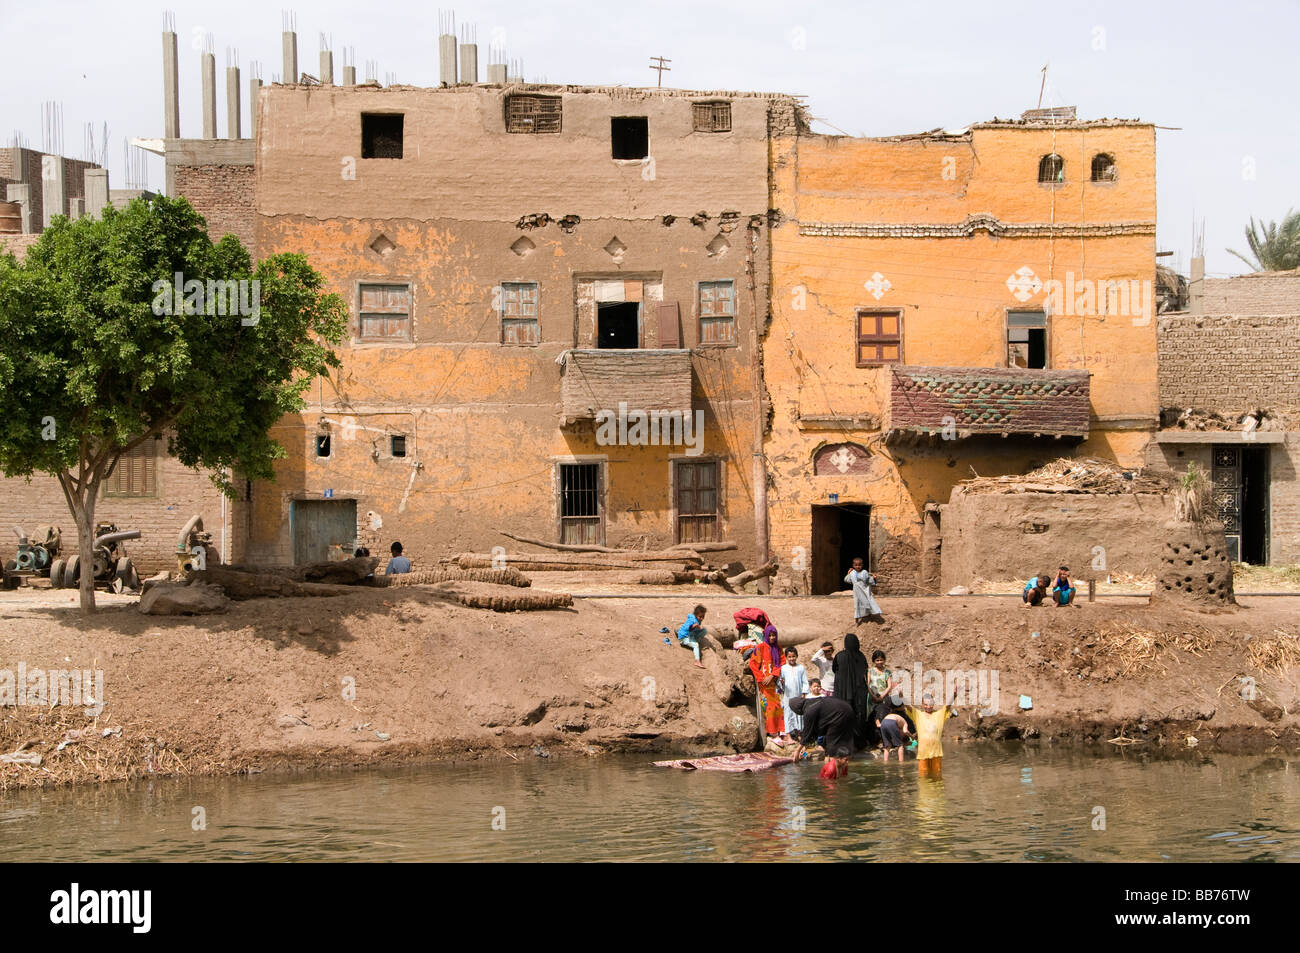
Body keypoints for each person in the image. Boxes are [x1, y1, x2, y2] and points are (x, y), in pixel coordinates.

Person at [788, 695, 854, 777]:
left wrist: (797, 750)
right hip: (848, 709)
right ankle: (836, 766)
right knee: (837, 744)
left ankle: (833, 767)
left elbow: (807, 733)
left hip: (839, 715)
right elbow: (808, 737)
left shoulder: (809, 711)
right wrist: (804, 750)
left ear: (797, 709)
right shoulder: (812, 702)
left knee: (832, 745)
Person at [904, 687, 959, 777]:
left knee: (937, 776)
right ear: (922, 704)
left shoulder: (939, 714)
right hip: (923, 753)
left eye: (930, 704)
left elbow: (948, 706)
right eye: (926, 704)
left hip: (936, 752)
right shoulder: (918, 714)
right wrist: (902, 697)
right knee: (923, 776)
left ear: (933, 704)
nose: (928, 706)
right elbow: (909, 707)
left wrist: (954, 695)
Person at [832, 631, 870, 748]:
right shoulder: (861, 656)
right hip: (859, 693)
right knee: (858, 716)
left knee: (843, 715)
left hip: (842, 693)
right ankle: (859, 742)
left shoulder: (839, 656)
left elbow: (834, 669)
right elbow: (865, 671)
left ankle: (844, 742)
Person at [748, 624, 785, 743]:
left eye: (774, 635)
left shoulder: (778, 649)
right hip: (764, 683)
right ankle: (773, 733)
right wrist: (762, 678)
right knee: (769, 706)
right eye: (770, 635)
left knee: (780, 706)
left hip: (776, 682)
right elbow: (753, 664)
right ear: (766, 636)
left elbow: (782, 663)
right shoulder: (760, 648)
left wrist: (773, 675)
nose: (772, 638)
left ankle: (781, 731)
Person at [868, 649, 900, 747]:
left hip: (884, 699)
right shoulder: (870, 671)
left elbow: (889, 685)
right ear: (874, 661)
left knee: (883, 718)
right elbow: (867, 684)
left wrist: (882, 696)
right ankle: (875, 740)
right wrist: (873, 696)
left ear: (884, 660)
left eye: (881, 660)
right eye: (877, 660)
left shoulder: (887, 672)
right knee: (873, 718)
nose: (879, 662)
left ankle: (885, 740)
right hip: (872, 699)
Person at [779, 647, 809, 741]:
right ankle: (788, 735)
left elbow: (805, 681)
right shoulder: (783, 668)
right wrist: (781, 683)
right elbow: (780, 683)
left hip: (798, 695)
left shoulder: (800, 668)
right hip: (788, 696)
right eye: (789, 657)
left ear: (797, 656)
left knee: (799, 714)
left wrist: (804, 693)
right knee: (788, 713)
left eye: (793, 656)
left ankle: (799, 733)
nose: (792, 659)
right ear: (786, 657)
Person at [845, 557, 883, 624]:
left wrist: (873, 578)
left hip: (864, 590)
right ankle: (857, 617)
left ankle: (869, 615)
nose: (858, 566)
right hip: (856, 591)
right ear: (853, 566)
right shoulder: (852, 573)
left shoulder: (864, 572)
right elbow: (847, 580)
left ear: (862, 565)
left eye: (859, 565)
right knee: (857, 603)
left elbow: (869, 580)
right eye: (856, 565)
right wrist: (848, 573)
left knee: (867, 602)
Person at [676, 604, 708, 669]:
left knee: (704, 631)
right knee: (696, 645)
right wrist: (694, 626)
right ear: (696, 615)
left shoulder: (697, 619)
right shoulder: (692, 620)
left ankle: (694, 639)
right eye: (700, 616)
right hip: (684, 637)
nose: (702, 618)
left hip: (690, 634)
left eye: (703, 616)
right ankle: (697, 661)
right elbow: (689, 628)